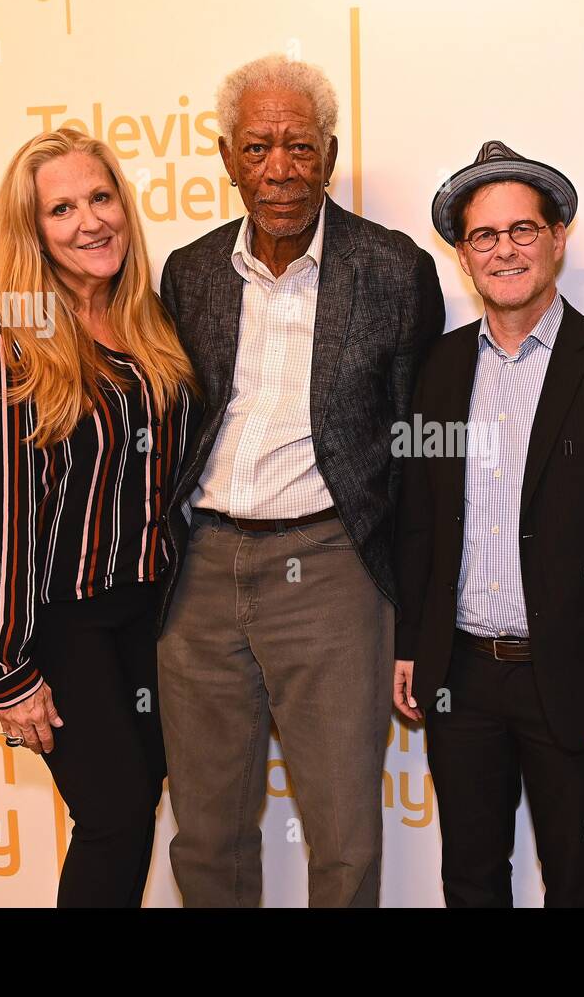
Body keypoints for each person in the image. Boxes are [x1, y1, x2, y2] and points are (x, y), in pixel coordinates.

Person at [155, 54, 445, 908]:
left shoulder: (393, 270)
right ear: (225, 159)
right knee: (205, 832)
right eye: (257, 149)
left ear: (328, 151)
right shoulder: (191, 271)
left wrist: (412, 603)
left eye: (299, 147)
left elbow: (418, 452)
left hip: (330, 570)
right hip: (201, 572)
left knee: (343, 837)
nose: (279, 170)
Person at [394, 141, 584, 907]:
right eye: (484, 236)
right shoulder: (440, 367)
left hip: (578, 682)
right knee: (471, 877)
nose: (505, 249)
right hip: (460, 678)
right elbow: (420, 522)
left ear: (559, 238)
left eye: (523, 229)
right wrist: (409, 646)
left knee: (576, 879)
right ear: (463, 256)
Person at [0, 128, 202, 907]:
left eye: (100, 197)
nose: (91, 221)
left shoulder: (152, 322)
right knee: (115, 816)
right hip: (62, 624)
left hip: (153, 615)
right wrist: (6, 670)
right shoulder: (2, 344)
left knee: (139, 799)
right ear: (34, 231)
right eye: (62, 209)